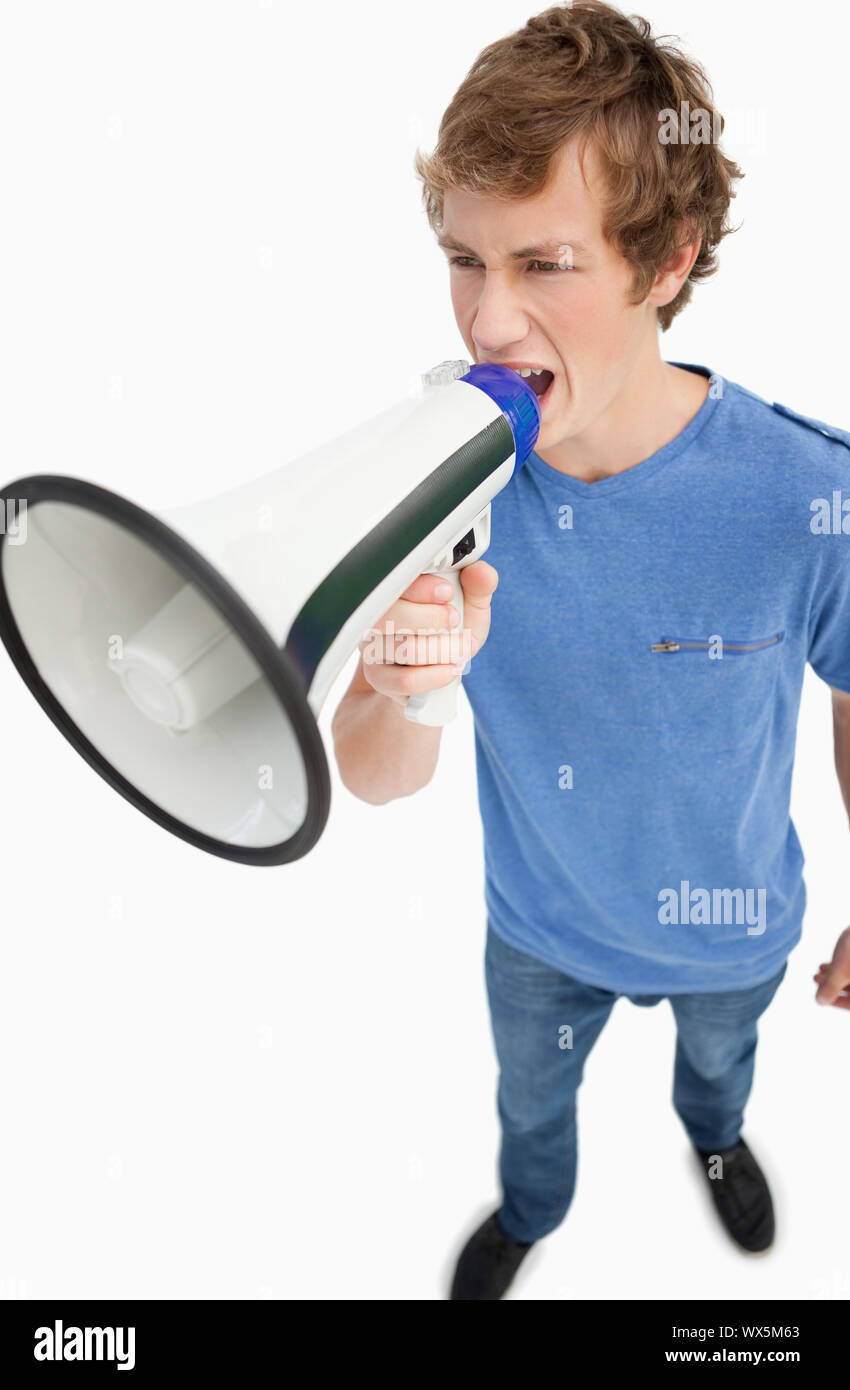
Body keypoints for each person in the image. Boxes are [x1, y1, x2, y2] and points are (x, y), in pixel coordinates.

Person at [331, 1, 850, 1300]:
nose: (488, 324)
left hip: (735, 939)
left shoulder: (804, 493)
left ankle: (715, 1136)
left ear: (665, 260)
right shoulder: (427, 483)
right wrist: (409, 677)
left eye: (543, 264)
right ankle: (530, 1205)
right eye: (465, 259)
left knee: (719, 1072)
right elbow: (373, 774)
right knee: (531, 1104)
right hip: (537, 933)